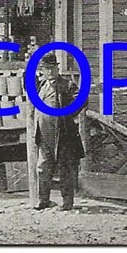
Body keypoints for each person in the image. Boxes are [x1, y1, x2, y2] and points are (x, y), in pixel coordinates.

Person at [33, 54, 85, 211]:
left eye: (52, 68)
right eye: (46, 69)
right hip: (44, 134)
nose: (50, 72)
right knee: (42, 168)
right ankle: (43, 200)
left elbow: (82, 99)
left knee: (65, 168)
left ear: (57, 68)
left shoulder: (67, 85)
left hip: (63, 135)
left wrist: (67, 113)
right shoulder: (41, 86)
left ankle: (67, 202)